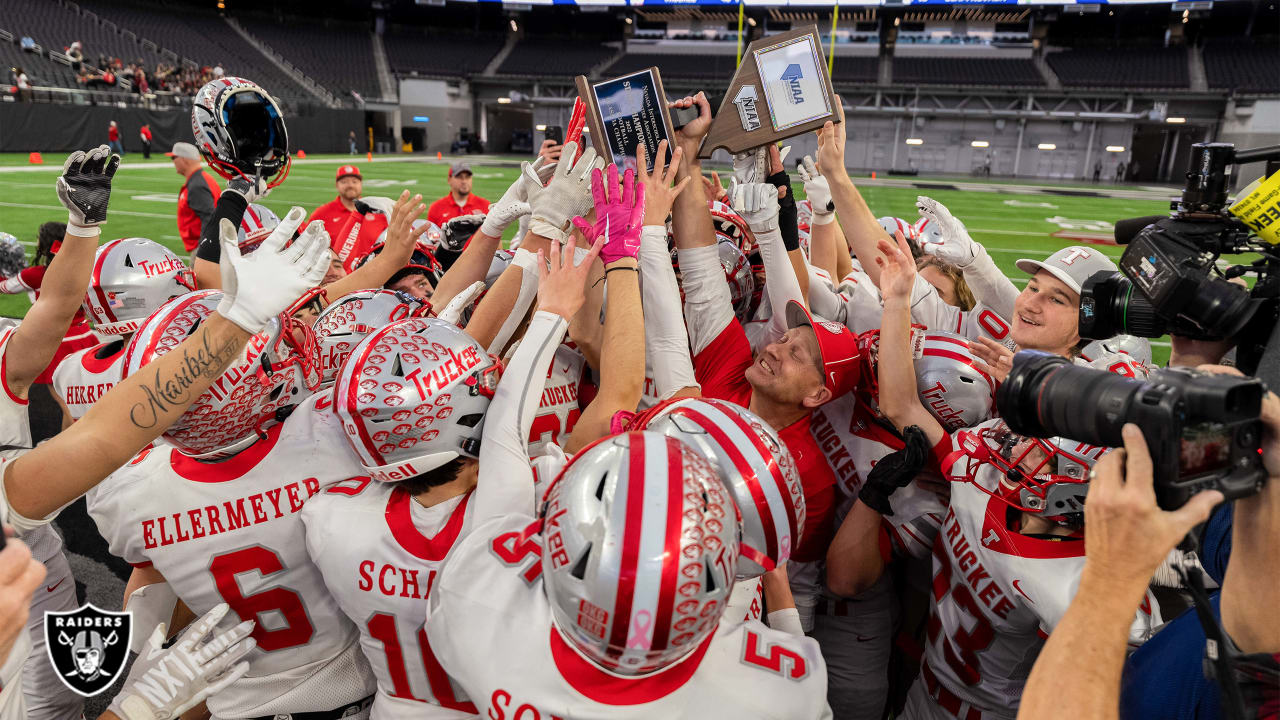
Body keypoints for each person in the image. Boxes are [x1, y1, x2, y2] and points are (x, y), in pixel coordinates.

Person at [0, 146, 329, 720]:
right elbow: (112, 428)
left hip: (114, 510)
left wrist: (82, 227)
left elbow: (100, 423)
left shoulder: (81, 373)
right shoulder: (325, 450)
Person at [306, 164, 388, 269]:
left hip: (374, 275)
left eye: (354, 181)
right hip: (337, 277)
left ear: (361, 184)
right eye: (344, 182)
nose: (350, 185)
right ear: (337, 185)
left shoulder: (379, 213)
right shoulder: (322, 214)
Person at [168, 141, 222, 259]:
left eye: (174, 157)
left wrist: (203, 252)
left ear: (184, 159)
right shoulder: (200, 180)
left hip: (203, 249)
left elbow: (209, 219)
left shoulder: (197, 184)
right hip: (205, 246)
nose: (173, 161)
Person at [427, 161, 489, 227]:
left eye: (467, 177)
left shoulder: (485, 206)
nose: (464, 181)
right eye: (459, 177)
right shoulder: (436, 208)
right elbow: (431, 235)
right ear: (449, 180)